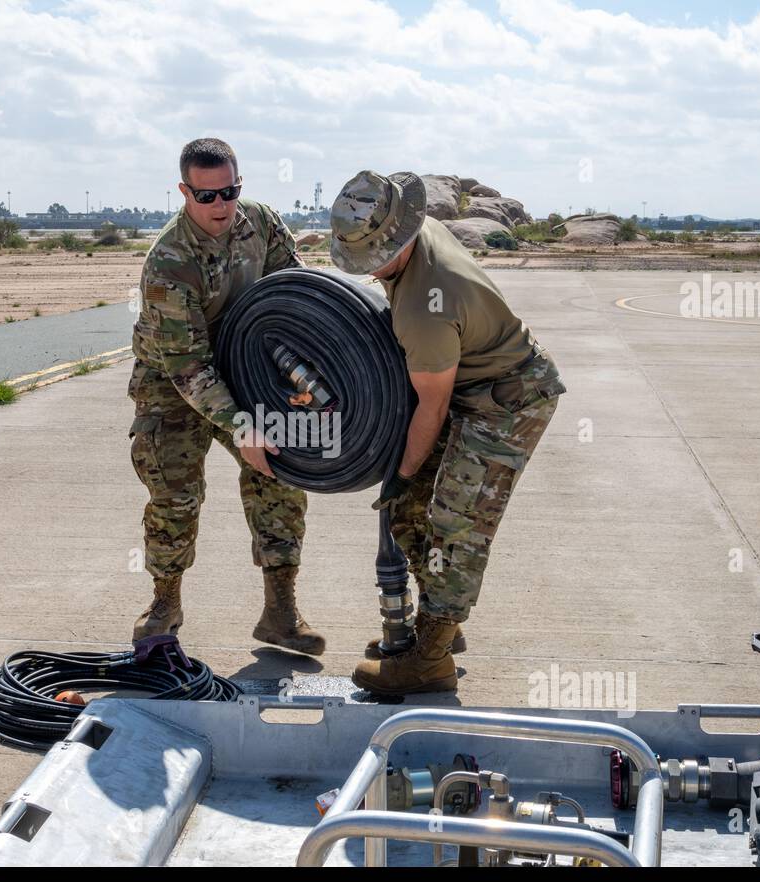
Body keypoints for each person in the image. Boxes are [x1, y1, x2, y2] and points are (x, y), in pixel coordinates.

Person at [329, 170, 566, 694]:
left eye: (376, 258)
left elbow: (431, 409)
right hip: (466, 381)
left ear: (399, 237)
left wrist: (402, 475)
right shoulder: (416, 231)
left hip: (508, 400)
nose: (370, 271)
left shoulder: (424, 308)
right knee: (414, 509)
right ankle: (437, 627)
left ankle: (431, 658)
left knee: (458, 522)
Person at [128, 138, 325, 654]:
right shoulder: (170, 261)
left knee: (279, 473)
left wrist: (301, 374)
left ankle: (281, 611)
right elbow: (187, 366)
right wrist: (244, 427)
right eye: (205, 196)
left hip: (244, 368)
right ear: (184, 191)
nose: (220, 206)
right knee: (174, 494)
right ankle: (164, 605)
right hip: (171, 382)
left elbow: (294, 289)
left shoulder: (260, 222)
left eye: (228, 192)